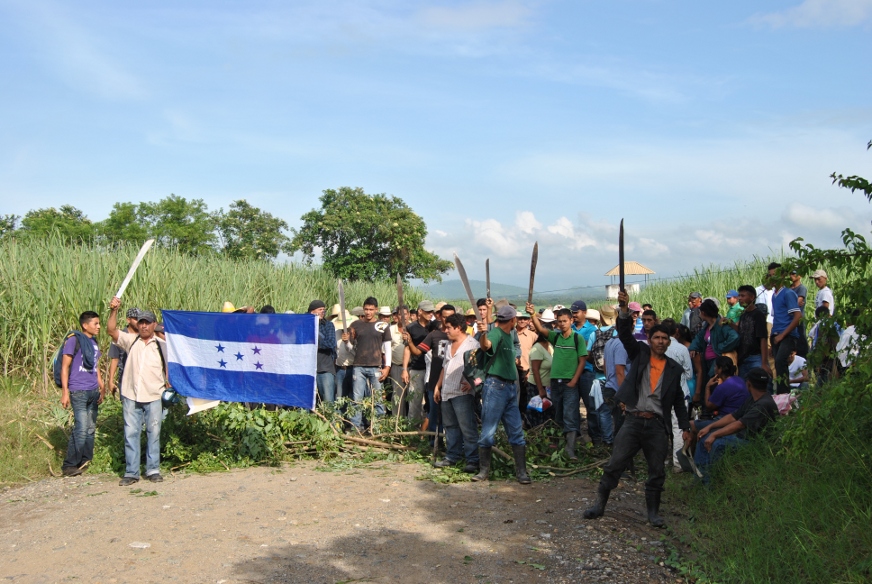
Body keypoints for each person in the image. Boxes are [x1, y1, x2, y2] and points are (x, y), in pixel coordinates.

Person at [583, 291, 690, 528]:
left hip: (656, 425)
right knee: (615, 464)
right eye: (657, 338)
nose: (661, 341)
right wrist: (623, 311)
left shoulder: (673, 368)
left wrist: (684, 427)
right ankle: (599, 505)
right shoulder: (640, 354)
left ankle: (653, 513)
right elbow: (624, 334)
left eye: (664, 338)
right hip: (632, 420)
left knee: (656, 471)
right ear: (650, 340)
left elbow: (679, 400)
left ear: (669, 341)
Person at [107, 298, 168, 486]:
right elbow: (111, 330)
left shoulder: (161, 344)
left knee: (153, 432)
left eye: (147, 322)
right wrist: (114, 311)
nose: (143, 326)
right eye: (141, 322)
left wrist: (169, 384)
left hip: (154, 395)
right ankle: (131, 472)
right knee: (131, 433)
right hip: (130, 395)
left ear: (154, 324)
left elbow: (170, 367)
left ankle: (153, 469)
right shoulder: (130, 341)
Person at [473, 302, 530, 484]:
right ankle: (484, 471)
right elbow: (486, 346)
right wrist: (483, 333)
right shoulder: (496, 333)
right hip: (495, 387)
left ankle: (521, 472)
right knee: (489, 431)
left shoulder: (510, 334)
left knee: (516, 430)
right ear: (513, 320)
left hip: (510, 388)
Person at [693, 368, 778, 484]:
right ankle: (699, 479)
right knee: (703, 437)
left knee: (717, 444)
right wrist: (710, 427)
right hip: (744, 436)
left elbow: (739, 424)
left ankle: (711, 483)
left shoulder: (763, 403)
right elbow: (733, 416)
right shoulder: (753, 399)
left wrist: (715, 434)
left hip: (755, 441)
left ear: (749, 384)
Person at [529, 304, 588, 460]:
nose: (562, 324)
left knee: (570, 415)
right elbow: (541, 330)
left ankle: (570, 450)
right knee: (558, 415)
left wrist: (574, 380)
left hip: (570, 384)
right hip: (555, 383)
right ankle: (560, 449)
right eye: (559, 321)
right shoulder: (556, 337)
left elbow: (582, 361)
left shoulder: (577, 338)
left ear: (571, 321)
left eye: (564, 321)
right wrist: (533, 314)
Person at [433, 313, 480, 473]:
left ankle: (473, 460)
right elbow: (445, 367)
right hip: (447, 391)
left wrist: (471, 382)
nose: (445, 330)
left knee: (467, 427)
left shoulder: (473, 345)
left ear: (458, 328)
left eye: (448, 328)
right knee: (450, 426)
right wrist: (438, 386)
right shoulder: (448, 345)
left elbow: (479, 368)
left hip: (462, 394)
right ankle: (452, 456)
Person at [59, 311, 105, 477]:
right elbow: (65, 367)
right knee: (81, 428)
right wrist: (65, 392)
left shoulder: (93, 342)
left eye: (99, 323)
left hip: (92, 390)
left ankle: (86, 461)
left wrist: (101, 385)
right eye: (95, 324)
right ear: (85, 325)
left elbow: (95, 365)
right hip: (78, 391)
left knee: (91, 428)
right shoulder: (74, 340)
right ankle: (70, 465)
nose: (99, 326)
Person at [347, 297, 392, 431]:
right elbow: (350, 348)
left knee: (378, 399)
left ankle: (377, 427)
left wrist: (387, 367)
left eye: (371, 309)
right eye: (366, 309)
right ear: (363, 309)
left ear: (376, 310)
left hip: (376, 366)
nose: (368, 312)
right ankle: (356, 427)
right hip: (358, 366)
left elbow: (387, 347)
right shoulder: (355, 325)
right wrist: (346, 341)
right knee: (357, 398)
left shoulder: (382, 326)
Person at [689, 299, 740, 403]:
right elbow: (698, 338)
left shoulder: (721, 325)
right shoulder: (706, 327)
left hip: (716, 362)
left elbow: (734, 337)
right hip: (707, 362)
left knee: (714, 385)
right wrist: (693, 347)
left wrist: (720, 347)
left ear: (703, 313)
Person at [660, 319, 693, 473]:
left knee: (662, 427)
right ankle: (678, 464)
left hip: (661, 393)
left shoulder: (656, 349)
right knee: (678, 428)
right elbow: (689, 373)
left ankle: (660, 459)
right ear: (676, 332)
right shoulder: (681, 349)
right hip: (680, 392)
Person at [570, 300, 601, 445]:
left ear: (584, 312)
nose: (574, 315)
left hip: (587, 372)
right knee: (572, 406)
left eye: (576, 312)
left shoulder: (592, 330)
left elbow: (590, 353)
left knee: (591, 406)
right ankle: (574, 437)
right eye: (573, 313)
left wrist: (578, 352)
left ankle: (595, 437)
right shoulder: (569, 328)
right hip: (571, 372)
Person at [768, 264, 802, 395]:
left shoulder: (788, 293)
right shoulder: (774, 295)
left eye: (775, 275)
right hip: (776, 333)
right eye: (770, 275)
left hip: (787, 334)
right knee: (778, 365)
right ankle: (781, 393)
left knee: (781, 361)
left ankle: (784, 394)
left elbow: (797, 316)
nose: (772, 278)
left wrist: (783, 335)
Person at [725, 285, 772, 379]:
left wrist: (764, 363)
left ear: (752, 297)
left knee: (760, 384)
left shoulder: (758, 315)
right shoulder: (743, 315)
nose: (740, 299)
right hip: (743, 358)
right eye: (739, 296)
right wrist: (729, 322)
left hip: (755, 357)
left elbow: (763, 338)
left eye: (743, 296)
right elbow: (741, 331)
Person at [400, 301, 434, 422]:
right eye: (428, 311)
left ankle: (428, 431)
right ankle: (412, 430)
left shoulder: (433, 326)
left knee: (431, 401)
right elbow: (407, 349)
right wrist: (404, 369)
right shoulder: (411, 328)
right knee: (415, 400)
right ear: (420, 311)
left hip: (433, 369)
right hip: (417, 368)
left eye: (432, 311)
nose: (431, 314)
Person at [107, 307, 140, 398]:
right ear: (128, 320)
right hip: (125, 378)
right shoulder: (120, 336)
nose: (139, 322)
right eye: (136, 319)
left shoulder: (143, 335)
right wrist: (111, 381)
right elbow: (115, 359)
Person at [310, 300, 337, 404]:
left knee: (328, 401)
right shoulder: (305, 325)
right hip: (309, 369)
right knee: (308, 402)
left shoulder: (328, 325)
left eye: (324, 310)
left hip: (325, 368)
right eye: (320, 310)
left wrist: (314, 344)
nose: (322, 312)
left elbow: (330, 343)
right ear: (312, 312)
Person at [387, 305, 410, 415]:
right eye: (400, 314)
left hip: (413, 367)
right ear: (396, 316)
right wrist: (388, 368)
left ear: (409, 315)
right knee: (397, 395)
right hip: (396, 367)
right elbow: (385, 350)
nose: (403, 317)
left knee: (413, 396)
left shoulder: (414, 328)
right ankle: (397, 422)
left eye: (405, 314)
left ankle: (412, 424)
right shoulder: (391, 330)